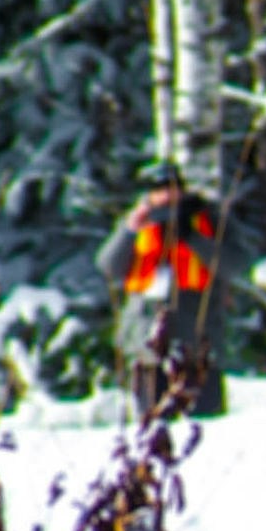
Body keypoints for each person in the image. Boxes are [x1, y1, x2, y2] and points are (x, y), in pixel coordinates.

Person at [96, 158, 230, 419]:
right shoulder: (137, 221)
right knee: (153, 423)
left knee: (205, 421)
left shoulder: (208, 218)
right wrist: (129, 231)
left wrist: (192, 237)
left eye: (172, 187)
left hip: (197, 341)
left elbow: (233, 264)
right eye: (158, 189)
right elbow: (109, 266)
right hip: (147, 341)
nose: (166, 196)